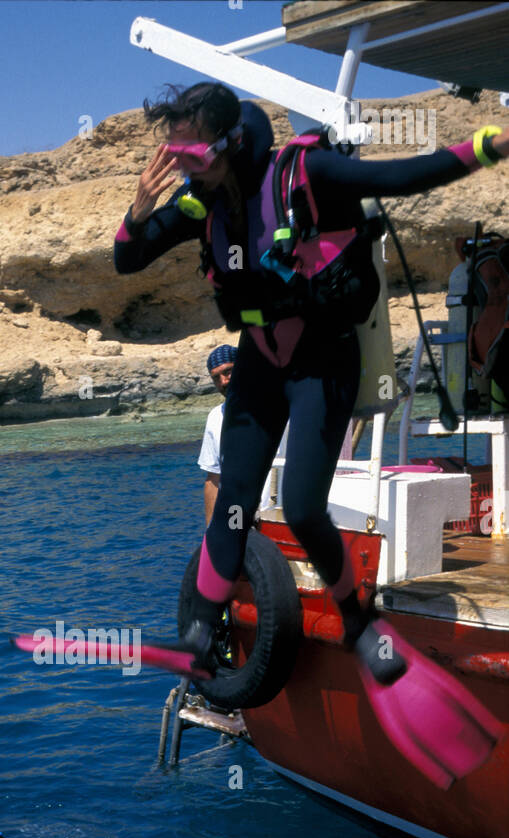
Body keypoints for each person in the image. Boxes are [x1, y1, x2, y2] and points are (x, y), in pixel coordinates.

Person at [113, 82, 507, 783]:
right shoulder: (202, 204)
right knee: (233, 502)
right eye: (170, 150)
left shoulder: (306, 174)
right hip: (260, 362)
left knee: (299, 505)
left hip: (323, 359)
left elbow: (404, 176)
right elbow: (126, 259)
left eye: (189, 149)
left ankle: (361, 625)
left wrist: (487, 145)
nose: (179, 163)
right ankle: (201, 634)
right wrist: (137, 211)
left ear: (230, 142)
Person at [198, 343, 236, 524]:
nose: (223, 382)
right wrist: (210, 531)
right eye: (216, 378)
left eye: (228, 372)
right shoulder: (215, 417)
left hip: (277, 514)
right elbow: (213, 479)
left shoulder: (280, 408)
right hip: (238, 513)